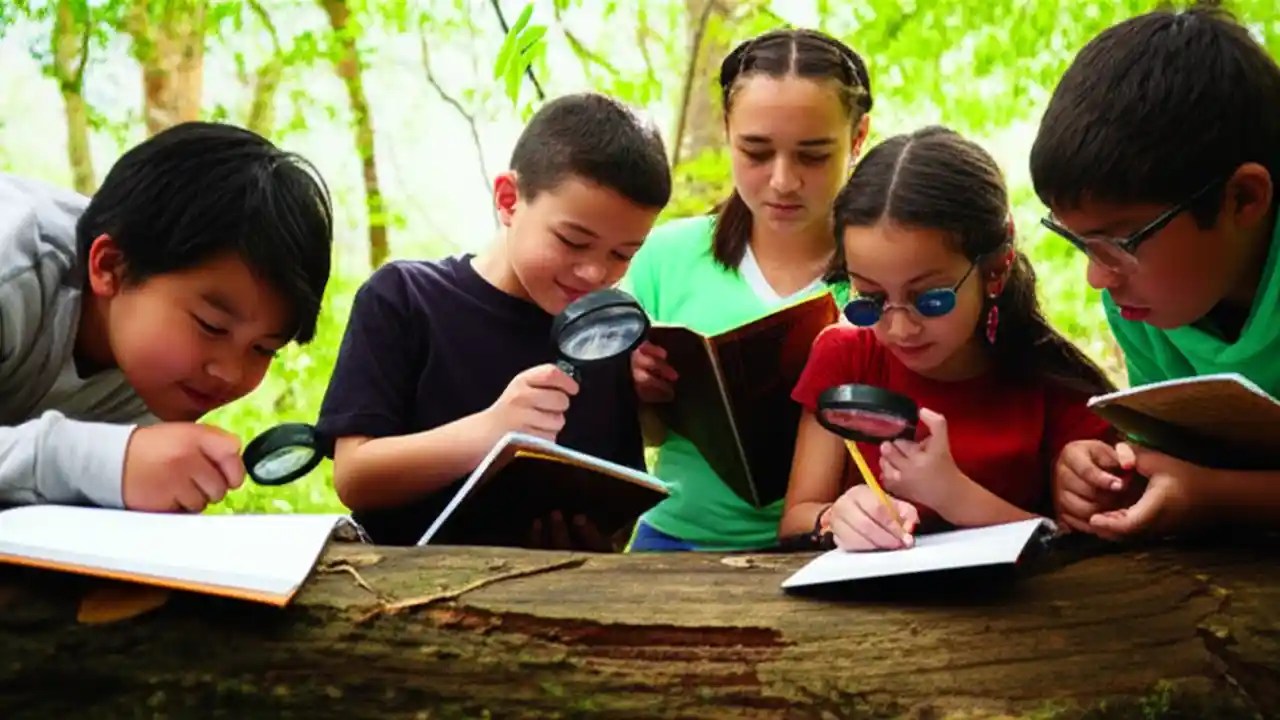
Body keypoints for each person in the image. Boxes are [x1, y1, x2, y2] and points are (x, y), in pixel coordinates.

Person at [317, 93, 672, 547]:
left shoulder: (607, 331)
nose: (594, 272)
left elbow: (619, 510)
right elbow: (355, 477)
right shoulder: (405, 298)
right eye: (572, 241)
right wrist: (491, 431)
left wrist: (592, 542)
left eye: (623, 254)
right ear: (508, 200)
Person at [779, 126, 1116, 551]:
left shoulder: (1055, 386)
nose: (899, 328)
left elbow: (1085, 552)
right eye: (870, 300)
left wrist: (953, 495)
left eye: (930, 300)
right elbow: (796, 518)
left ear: (995, 269)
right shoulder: (845, 356)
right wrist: (835, 517)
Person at [1030, 4, 1280, 540]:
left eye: (1118, 244)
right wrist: (1112, 474)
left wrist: (1213, 498)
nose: (1098, 278)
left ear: (1244, 198)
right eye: (1080, 245)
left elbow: (1203, 486)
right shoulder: (1139, 304)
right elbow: (1178, 463)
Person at [0, 121, 334, 512]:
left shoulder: (157, 381)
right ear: (111, 267)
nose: (230, 372)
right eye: (211, 326)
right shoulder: (14, 264)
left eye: (263, 349)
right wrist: (93, 462)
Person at [625, 28, 874, 552]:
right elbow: (641, 439)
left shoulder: (886, 275)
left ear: (858, 137)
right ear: (726, 130)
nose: (783, 181)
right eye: (756, 152)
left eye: (812, 156)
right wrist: (635, 391)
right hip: (673, 542)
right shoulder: (663, 257)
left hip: (836, 547)